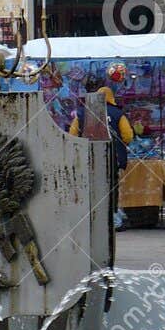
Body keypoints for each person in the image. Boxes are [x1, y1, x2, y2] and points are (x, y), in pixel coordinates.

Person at [70, 82, 134, 228]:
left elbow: (72, 135)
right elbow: (128, 136)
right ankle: (114, 219)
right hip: (113, 158)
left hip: (87, 158)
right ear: (111, 98)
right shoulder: (118, 114)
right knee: (111, 187)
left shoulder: (82, 112)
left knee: (89, 186)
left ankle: (89, 218)